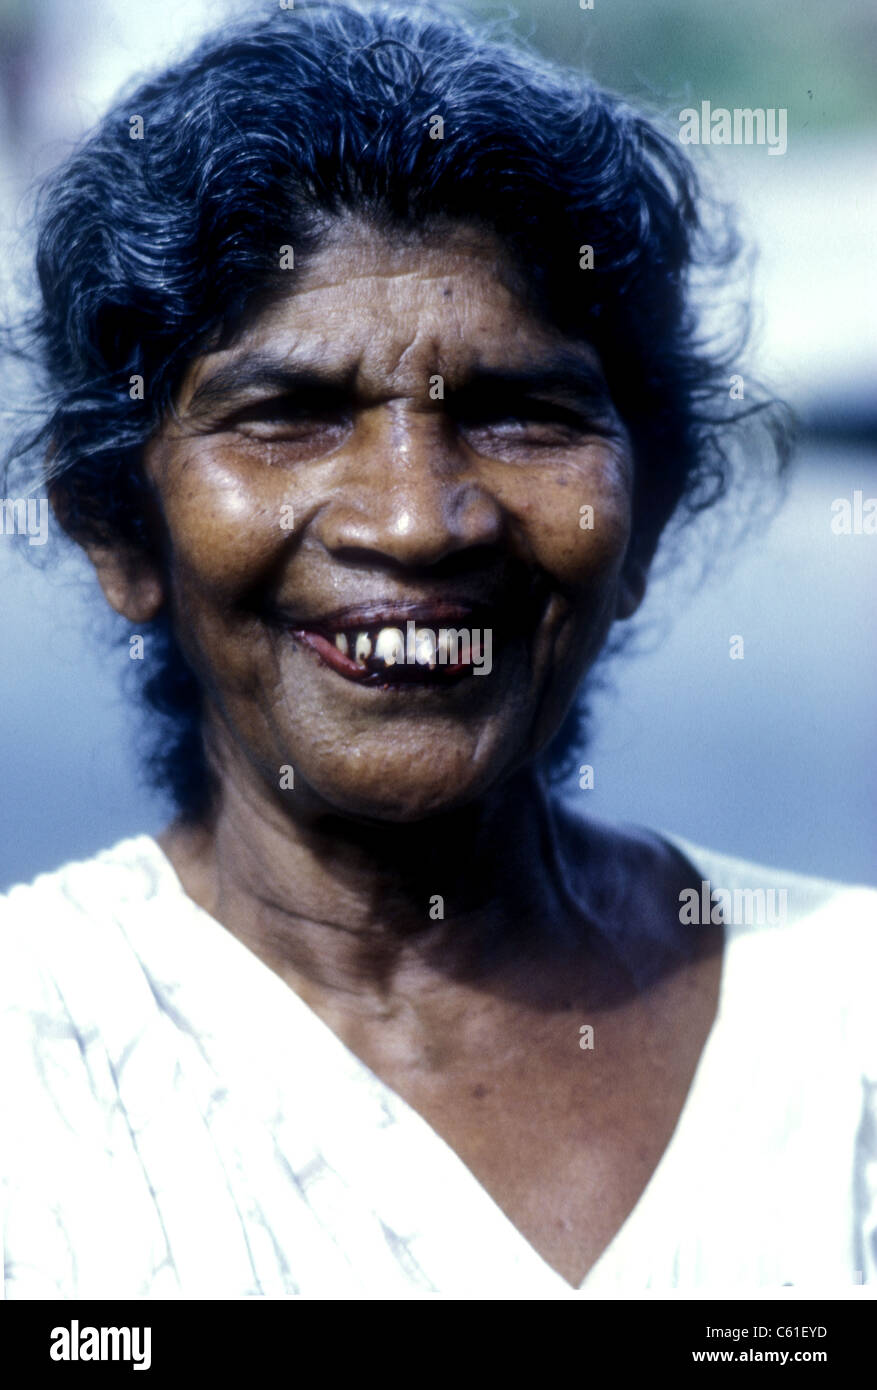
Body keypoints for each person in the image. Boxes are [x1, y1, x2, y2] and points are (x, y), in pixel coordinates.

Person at [1, 1, 874, 1298]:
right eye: (287, 415)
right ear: (121, 534)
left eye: (521, 414)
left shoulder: (842, 1021)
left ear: (644, 519)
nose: (417, 519)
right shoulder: (33, 1067)